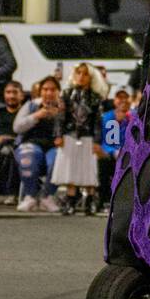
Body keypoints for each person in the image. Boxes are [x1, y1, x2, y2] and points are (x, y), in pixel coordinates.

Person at [50, 63, 106, 214]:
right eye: (78, 73)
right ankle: (71, 200)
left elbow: (98, 121)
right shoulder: (66, 94)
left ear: (91, 77)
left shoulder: (96, 98)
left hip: (88, 137)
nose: (81, 77)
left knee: (89, 169)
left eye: (85, 74)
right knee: (70, 169)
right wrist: (58, 135)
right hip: (69, 135)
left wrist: (96, 141)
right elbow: (60, 117)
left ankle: (90, 200)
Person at [12, 76, 64, 212]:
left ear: (58, 91)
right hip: (31, 143)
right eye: (45, 89)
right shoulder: (31, 105)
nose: (49, 93)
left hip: (55, 145)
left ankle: (47, 196)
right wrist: (36, 116)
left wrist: (59, 117)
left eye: (53, 89)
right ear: (40, 91)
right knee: (28, 158)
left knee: (59, 160)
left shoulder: (64, 106)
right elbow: (17, 127)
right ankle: (29, 196)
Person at [98, 87, 134, 198]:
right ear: (114, 100)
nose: (123, 101)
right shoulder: (107, 117)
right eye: (120, 97)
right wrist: (114, 151)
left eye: (125, 97)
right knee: (103, 162)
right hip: (111, 153)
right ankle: (104, 198)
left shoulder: (137, 116)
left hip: (131, 153)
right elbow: (105, 141)